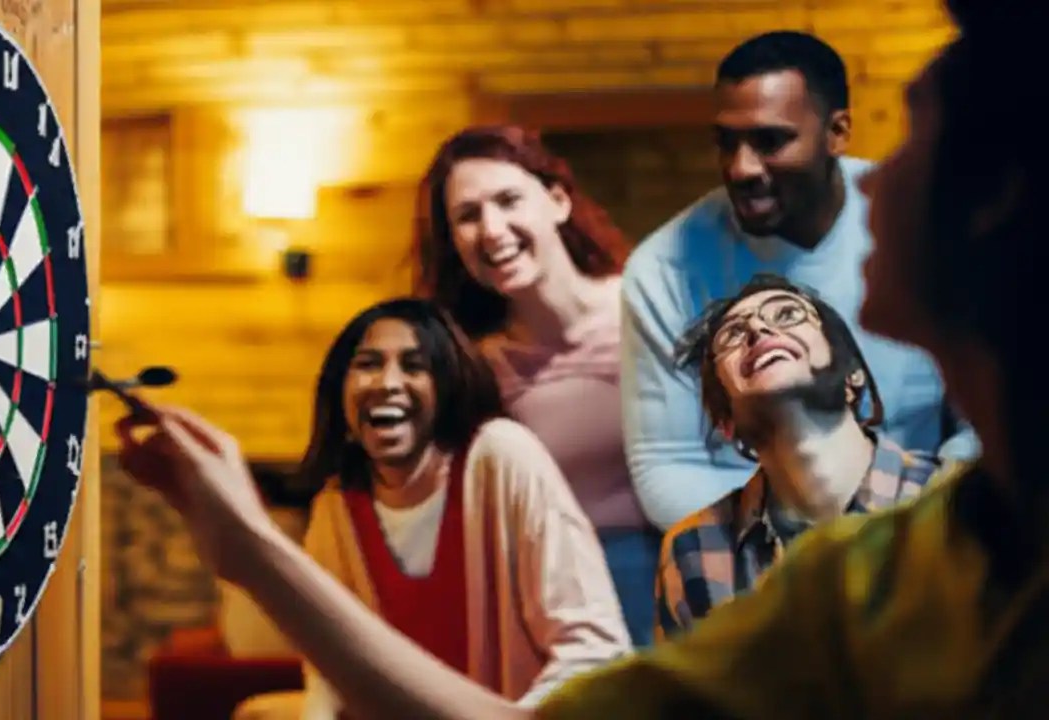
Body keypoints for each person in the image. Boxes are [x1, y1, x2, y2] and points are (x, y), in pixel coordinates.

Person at [114, 3, 1046, 713]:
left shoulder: (857, 545)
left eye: (908, 135)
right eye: (463, 216)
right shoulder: (866, 582)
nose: (870, 180)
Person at [618, 30, 978, 529]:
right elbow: (668, 463)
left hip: (931, 524)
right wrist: (798, 539)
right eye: (726, 142)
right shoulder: (661, 270)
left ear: (838, 132)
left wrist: (904, 529)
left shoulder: (918, 218)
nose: (741, 168)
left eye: (770, 141)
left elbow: (984, 417)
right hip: (756, 550)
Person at [248, 298, 632, 718]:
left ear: (446, 386)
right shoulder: (336, 504)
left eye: (414, 366)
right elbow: (330, 669)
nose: (387, 383)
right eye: (368, 364)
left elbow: (595, 649)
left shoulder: (500, 456)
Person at [411, 125, 661, 646]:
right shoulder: (472, 369)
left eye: (508, 201)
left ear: (557, 202)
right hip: (553, 608)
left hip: (676, 587)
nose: (492, 228)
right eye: (467, 215)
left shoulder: (654, 308)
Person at [654, 274, 938, 639]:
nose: (758, 327)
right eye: (733, 336)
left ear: (853, 374)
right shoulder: (693, 549)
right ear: (725, 423)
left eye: (786, 314)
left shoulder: (952, 499)